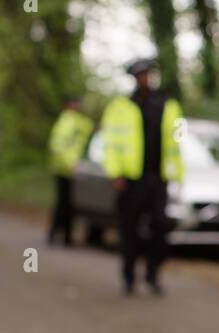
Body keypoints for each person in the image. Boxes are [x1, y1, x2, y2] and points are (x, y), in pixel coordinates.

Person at [101, 58, 186, 296]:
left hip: (158, 178)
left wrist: (177, 173)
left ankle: (152, 274)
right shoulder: (120, 107)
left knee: (160, 226)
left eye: (148, 74)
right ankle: (128, 276)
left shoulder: (169, 105)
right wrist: (115, 172)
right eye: (140, 75)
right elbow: (110, 143)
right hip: (131, 180)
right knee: (129, 231)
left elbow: (178, 142)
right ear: (134, 78)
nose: (145, 78)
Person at [47, 97, 93, 246]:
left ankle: (63, 236)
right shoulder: (67, 121)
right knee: (64, 204)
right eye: (75, 103)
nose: (78, 105)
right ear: (68, 105)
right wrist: (71, 164)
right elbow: (58, 146)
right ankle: (57, 235)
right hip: (65, 170)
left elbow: (86, 127)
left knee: (67, 204)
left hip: (68, 169)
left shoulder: (75, 120)